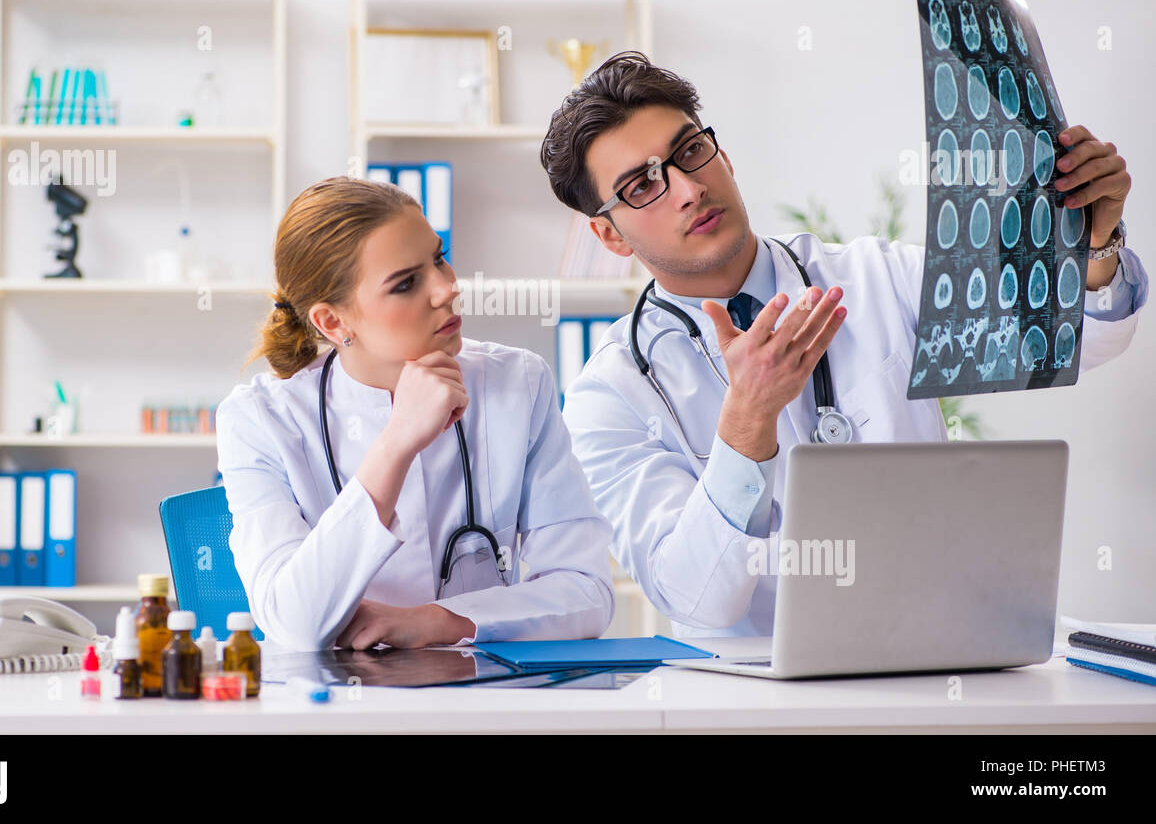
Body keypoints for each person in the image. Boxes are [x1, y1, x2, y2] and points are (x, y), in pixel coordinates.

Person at [540, 52, 1146, 640]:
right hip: (756, 695)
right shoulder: (610, 396)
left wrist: (1092, 245)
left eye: (691, 151)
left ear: (722, 155)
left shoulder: (879, 277)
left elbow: (1066, 340)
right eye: (642, 184)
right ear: (609, 235)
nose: (687, 188)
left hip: (938, 661)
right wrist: (746, 422)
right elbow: (698, 599)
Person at [215, 177, 614, 651]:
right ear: (333, 321)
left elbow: (586, 591)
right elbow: (295, 625)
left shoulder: (518, 382)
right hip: (336, 694)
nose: (446, 289)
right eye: (405, 284)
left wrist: (437, 622)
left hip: (484, 687)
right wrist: (398, 440)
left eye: (439, 258)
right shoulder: (259, 419)